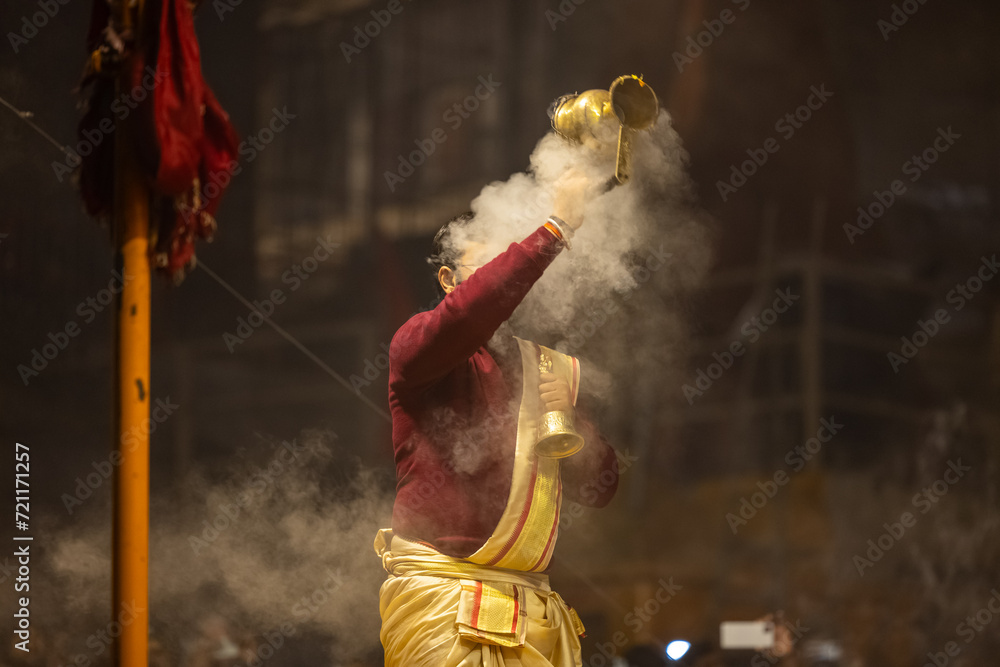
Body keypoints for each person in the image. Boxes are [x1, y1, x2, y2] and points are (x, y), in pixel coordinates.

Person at [375, 169, 623, 666]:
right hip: (445, 601)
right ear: (449, 280)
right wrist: (555, 228)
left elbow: (601, 489)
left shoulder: (544, 369)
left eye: (508, 251)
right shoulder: (416, 343)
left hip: (532, 609)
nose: (503, 264)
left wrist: (575, 431)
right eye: (486, 256)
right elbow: (472, 310)